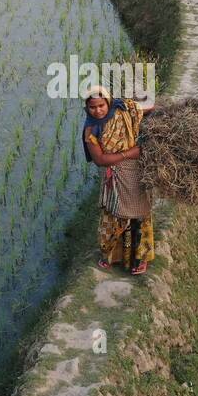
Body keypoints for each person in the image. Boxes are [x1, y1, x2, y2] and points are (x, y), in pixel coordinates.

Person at [81, 85, 155, 276]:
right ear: (87, 109)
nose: (98, 110)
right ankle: (112, 257)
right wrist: (129, 153)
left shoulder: (124, 109)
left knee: (139, 215)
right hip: (114, 175)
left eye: (101, 105)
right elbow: (100, 160)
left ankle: (139, 259)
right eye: (92, 107)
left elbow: (146, 109)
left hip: (136, 171)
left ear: (108, 102)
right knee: (115, 216)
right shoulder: (91, 130)